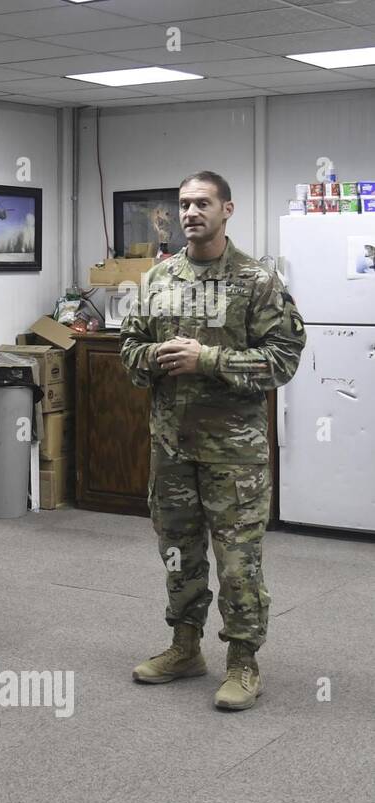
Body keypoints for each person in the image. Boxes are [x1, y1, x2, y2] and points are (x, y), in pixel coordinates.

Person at [120, 170, 306, 711]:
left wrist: (210, 360)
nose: (190, 213)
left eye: (202, 203)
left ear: (228, 209)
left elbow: (283, 361)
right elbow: (129, 350)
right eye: (183, 204)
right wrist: (152, 357)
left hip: (235, 455)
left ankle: (244, 661)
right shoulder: (158, 279)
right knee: (178, 552)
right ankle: (184, 647)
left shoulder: (256, 281)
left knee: (237, 560)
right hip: (171, 448)